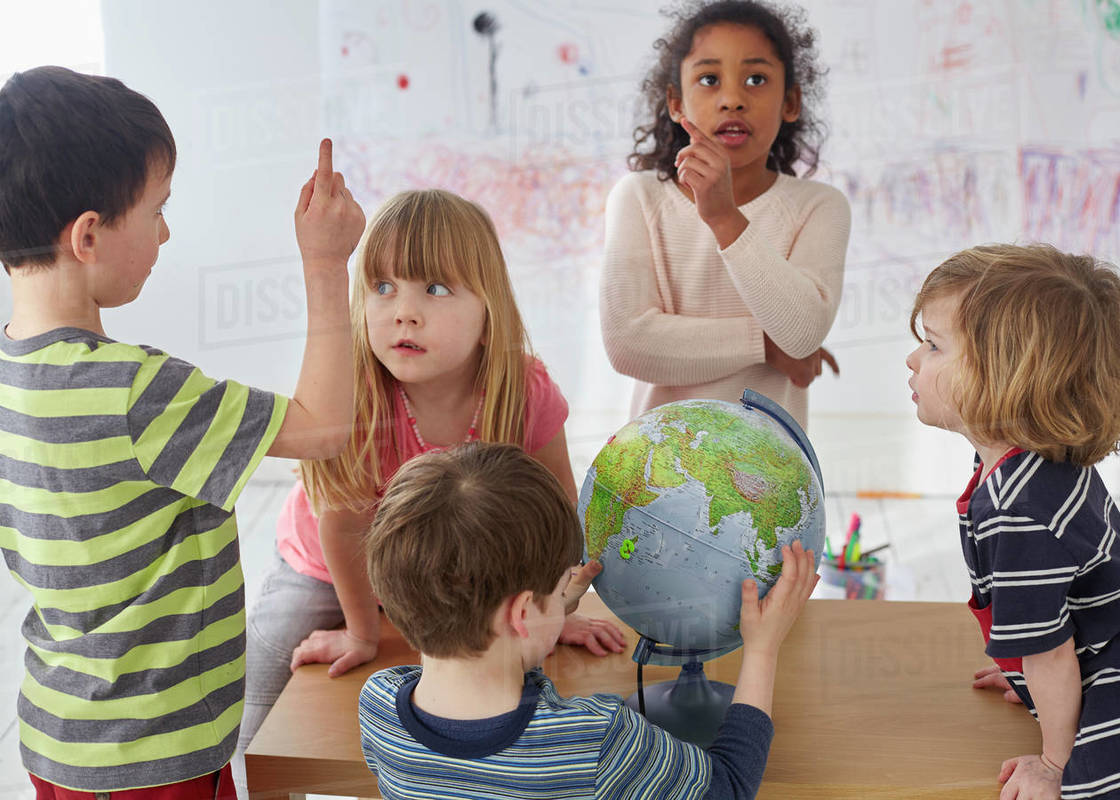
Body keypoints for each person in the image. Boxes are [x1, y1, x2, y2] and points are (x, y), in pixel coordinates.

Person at [0, 66, 364, 797]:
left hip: (56, 742)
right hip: (159, 752)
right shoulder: (136, 390)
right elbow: (325, 428)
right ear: (89, 236)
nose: (167, 232)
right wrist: (326, 263)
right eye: (158, 210)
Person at [236, 189, 626, 789]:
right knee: (262, 677)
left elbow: (557, 507)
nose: (404, 313)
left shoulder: (522, 390)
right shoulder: (354, 392)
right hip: (328, 564)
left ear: (487, 306)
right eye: (383, 287)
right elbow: (341, 527)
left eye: (435, 290)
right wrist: (363, 630)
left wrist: (556, 605)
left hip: (453, 567)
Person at [357, 442, 819, 799]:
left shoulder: (376, 707)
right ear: (520, 614)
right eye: (558, 587)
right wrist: (762, 648)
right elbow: (728, 788)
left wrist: (552, 609)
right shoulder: (593, 740)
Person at [906, 243, 1120, 800]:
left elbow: (1053, 653)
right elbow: (1068, 607)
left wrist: (1053, 762)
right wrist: (1030, 679)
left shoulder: (1017, 509)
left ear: (1007, 375)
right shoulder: (1033, 457)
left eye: (933, 344)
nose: (913, 359)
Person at [600, 0, 850, 427]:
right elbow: (628, 343)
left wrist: (724, 218)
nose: (732, 99)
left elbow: (802, 333)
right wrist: (766, 346)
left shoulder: (819, 207)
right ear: (676, 104)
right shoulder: (638, 197)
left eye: (756, 79)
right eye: (709, 79)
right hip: (657, 478)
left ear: (790, 101)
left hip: (772, 481)